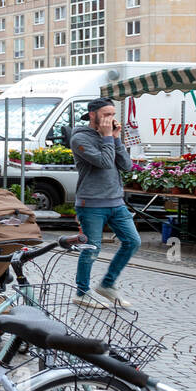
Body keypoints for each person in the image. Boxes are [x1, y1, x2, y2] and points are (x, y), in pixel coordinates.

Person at [71, 97, 139, 309]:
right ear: (93, 115)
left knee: (133, 241)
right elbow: (104, 162)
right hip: (91, 203)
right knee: (92, 248)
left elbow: (126, 166)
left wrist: (116, 139)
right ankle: (82, 292)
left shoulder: (109, 137)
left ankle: (107, 285)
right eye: (106, 115)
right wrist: (108, 137)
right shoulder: (80, 139)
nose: (111, 119)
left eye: (112, 114)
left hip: (116, 202)